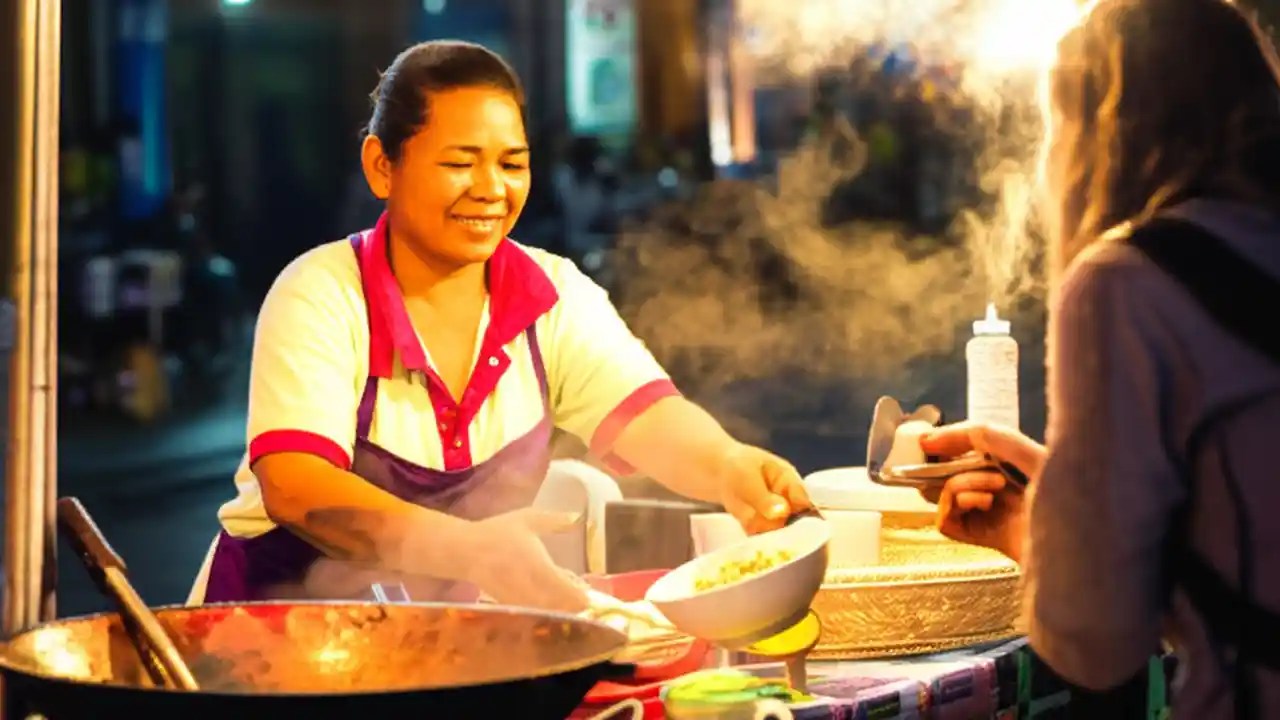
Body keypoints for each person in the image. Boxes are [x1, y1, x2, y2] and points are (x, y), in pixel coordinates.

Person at [192, 41, 811, 612]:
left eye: (512, 164)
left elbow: (650, 419)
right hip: (265, 645)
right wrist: (470, 550)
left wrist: (729, 466)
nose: (491, 189)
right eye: (462, 162)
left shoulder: (553, 294)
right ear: (383, 167)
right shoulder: (322, 294)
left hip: (449, 650)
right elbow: (298, 488)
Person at [918, 1, 1280, 717]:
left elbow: (1097, 643)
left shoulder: (1126, 284)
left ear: (1099, 129)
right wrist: (1062, 506)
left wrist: (1048, 541)